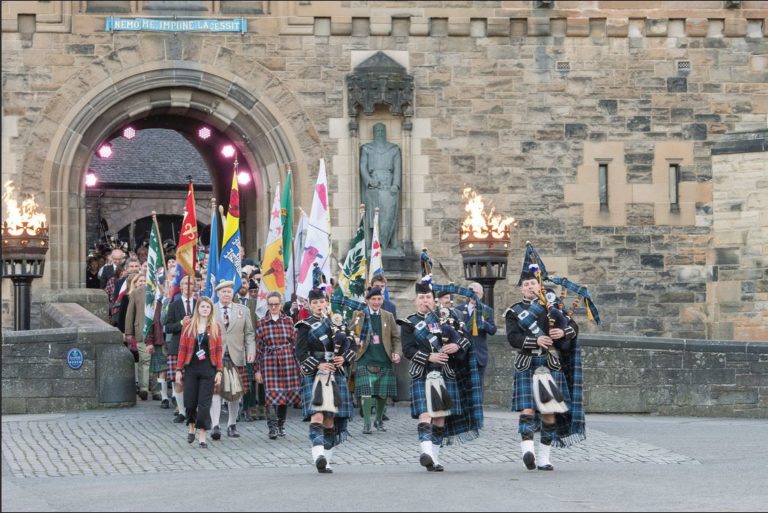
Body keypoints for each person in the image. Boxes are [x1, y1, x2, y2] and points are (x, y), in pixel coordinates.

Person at [400, 280, 482, 472]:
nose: (425, 301)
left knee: (440, 418)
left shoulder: (448, 319)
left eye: (428, 297)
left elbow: (466, 339)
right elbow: (407, 350)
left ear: (434, 300)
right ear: (415, 301)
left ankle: (433, 458)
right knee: (425, 414)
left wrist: (457, 345)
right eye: (421, 298)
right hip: (423, 372)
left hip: (444, 372)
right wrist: (430, 356)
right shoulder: (409, 323)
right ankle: (426, 451)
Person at [505, 269, 581, 472]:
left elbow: (574, 327)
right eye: (526, 285)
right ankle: (527, 451)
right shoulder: (514, 311)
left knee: (549, 413)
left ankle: (544, 458)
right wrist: (535, 340)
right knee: (527, 409)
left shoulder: (553, 307)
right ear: (522, 289)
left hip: (549, 363)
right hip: (527, 361)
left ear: (539, 286)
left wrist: (563, 331)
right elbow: (512, 338)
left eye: (533, 284)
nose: (530, 287)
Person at [295, 288, 357, 474]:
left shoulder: (338, 322)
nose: (318, 306)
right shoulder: (304, 326)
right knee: (317, 415)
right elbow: (300, 353)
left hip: (335, 372)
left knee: (330, 420)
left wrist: (344, 358)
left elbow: (352, 345)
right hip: (315, 374)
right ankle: (319, 455)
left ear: (326, 303)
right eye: (314, 303)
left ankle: (326, 461)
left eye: (321, 302)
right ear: (309, 305)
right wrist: (318, 365)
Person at [351, 286, 401, 434]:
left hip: (383, 358)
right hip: (365, 358)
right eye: (373, 299)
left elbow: (396, 338)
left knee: (382, 393)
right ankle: (367, 423)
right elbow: (350, 331)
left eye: (379, 299)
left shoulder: (388, 316)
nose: (376, 302)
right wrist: (354, 337)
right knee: (366, 392)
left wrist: (397, 352)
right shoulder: (359, 314)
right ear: (367, 300)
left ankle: (378, 420)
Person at [175, 296, 223, 449]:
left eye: (208, 307)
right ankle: (191, 427)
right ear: (198, 308)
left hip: (208, 369)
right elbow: (182, 349)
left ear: (211, 310)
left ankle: (202, 435)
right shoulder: (189, 325)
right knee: (190, 402)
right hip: (191, 368)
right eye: (202, 307)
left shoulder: (215, 327)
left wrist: (219, 371)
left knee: (204, 404)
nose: (205, 309)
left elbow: (219, 351)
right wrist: (178, 370)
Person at [210, 280, 256, 440]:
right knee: (215, 391)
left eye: (229, 291)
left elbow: (250, 333)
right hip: (215, 356)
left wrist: (251, 351)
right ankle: (215, 425)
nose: (226, 294)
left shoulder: (243, 310)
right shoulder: (210, 310)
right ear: (217, 293)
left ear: (233, 293)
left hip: (237, 355)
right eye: (223, 292)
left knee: (235, 392)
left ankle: (231, 424)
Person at [254, 291, 302, 440]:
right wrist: (257, 370)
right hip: (269, 360)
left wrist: (299, 364)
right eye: (271, 304)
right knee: (271, 394)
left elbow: (295, 344)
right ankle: (272, 426)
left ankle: (281, 424)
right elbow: (258, 348)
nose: (273, 307)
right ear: (267, 305)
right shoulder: (262, 322)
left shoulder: (288, 321)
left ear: (281, 304)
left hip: (287, 359)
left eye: (276, 304)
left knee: (285, 394)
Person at [360, 122, 402, 252]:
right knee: (373, 217)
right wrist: (369, 180)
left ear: (385, 133)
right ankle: (373, 244)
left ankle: (388, 243)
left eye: (381, 131)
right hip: (373, 188)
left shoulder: (393, 149)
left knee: (389, 215)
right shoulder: (367, 148)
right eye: (377, 132)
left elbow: (397, 169)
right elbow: (363, 167)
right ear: (374, 133)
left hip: (388, 187)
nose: (379, 134)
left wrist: (395, 184)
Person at [164, 275, 196, 423]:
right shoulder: (174, 305)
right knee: (179, 381)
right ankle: (182, 412)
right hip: (177, 347)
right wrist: (181, 323)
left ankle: (193, 411)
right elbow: (168, 327)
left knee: (194, 380)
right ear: (181, 287)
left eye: (191, 284)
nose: (188, 287)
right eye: (185, 284)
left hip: (196, 347)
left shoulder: (200, 304)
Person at [454, 282, 497, 393]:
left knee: (477, 389)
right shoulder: (458, 310)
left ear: (481, 295)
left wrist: (483, 322)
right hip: (462, 354)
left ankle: (477, 410)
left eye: (476, 293)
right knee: (462, 388)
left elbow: (493, 330)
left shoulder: (487, 311)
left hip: (479, 355)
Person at [124, 273, 151, 400]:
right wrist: (128, 332)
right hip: (141, 330)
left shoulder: (157, 291)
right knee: (145, 360)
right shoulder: (135, 293)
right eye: (140, 280)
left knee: (154, 361)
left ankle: (156, 390)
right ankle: (144, 388)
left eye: (145, 280)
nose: (143, 282)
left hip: (155, 332)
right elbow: (130, 313)